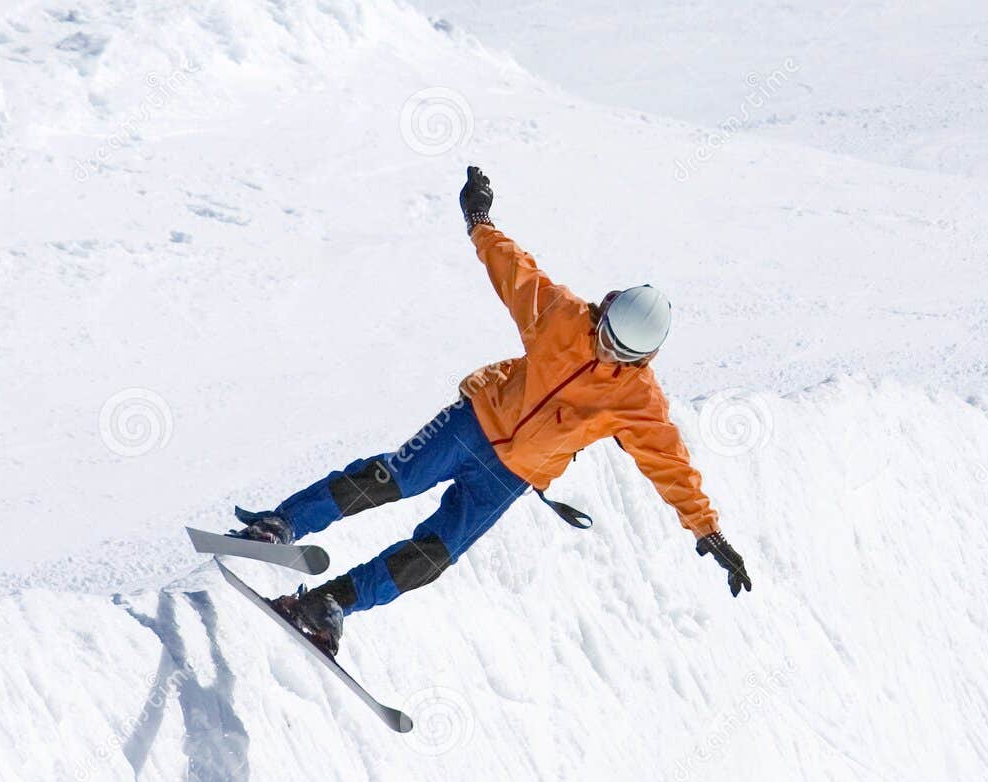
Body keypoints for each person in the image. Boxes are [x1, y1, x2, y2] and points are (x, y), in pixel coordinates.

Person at [236, 165, 750, 656]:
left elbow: (670, 464)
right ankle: (281, 524)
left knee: (434, 555)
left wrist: (708, 530)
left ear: (645, 356)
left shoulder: (639, 400)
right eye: (607, 337)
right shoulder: (564, 317)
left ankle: (329, 604)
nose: (606, 352)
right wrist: (479, 219)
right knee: (390, 480)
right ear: (606, 311)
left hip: (511, 476)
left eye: (622, 353)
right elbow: (514, 270)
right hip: (472, 423)